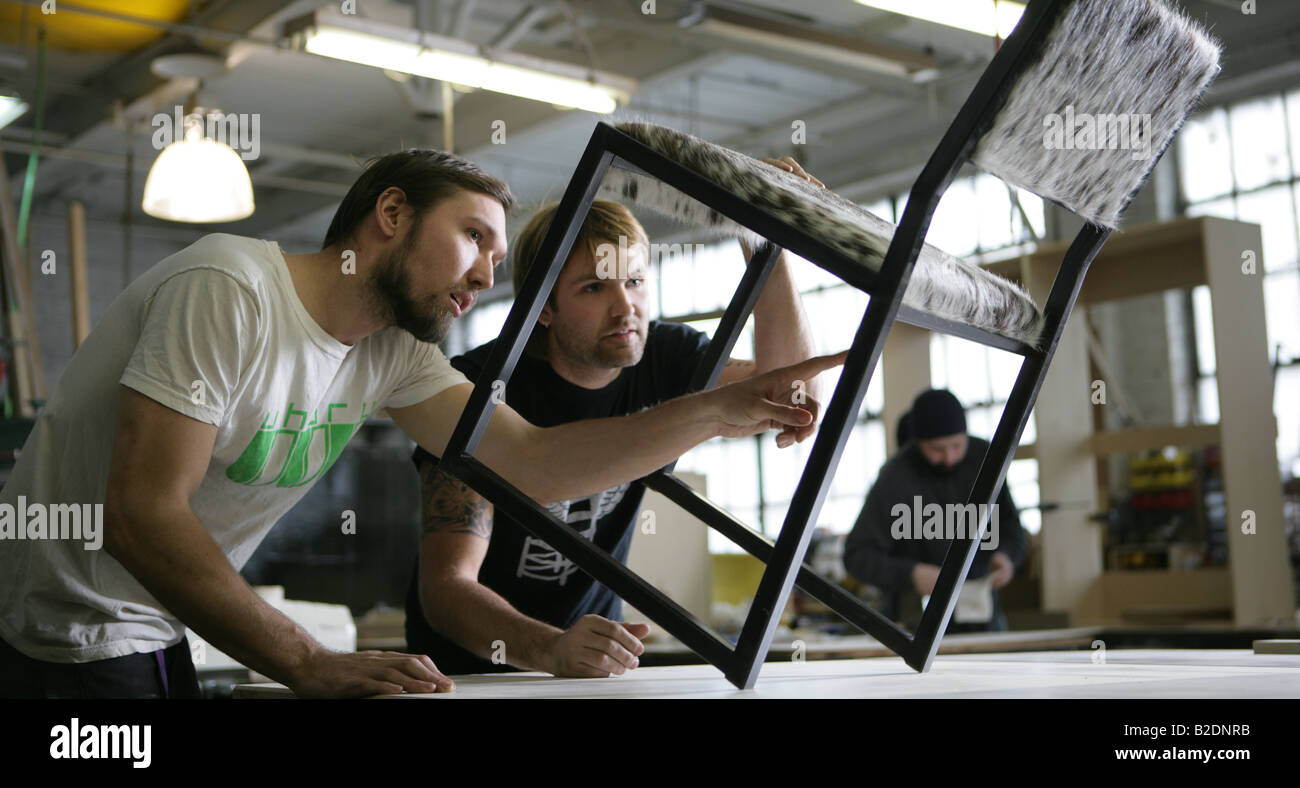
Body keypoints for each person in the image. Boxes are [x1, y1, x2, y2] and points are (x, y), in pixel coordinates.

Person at [0, 148, 843, 698]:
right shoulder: (230, 288)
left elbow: (535, 466)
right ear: (391, 215)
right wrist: (307, 661)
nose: (483, 273)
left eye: (496, 255)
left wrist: (719, 404)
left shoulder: (393, 357)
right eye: (472, 236)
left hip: (148, 635)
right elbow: (141, 514)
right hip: (53, 642)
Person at [407, 167, 820, 677]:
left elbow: (790, 394)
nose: (626, 307)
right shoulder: (479, 386)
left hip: (593, 668)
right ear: (543, 309)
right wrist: (548, 649)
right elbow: (446, 587)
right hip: (470, 677)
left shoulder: (663, 355)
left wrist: (766, 245)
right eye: (594, 287)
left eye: (635, 281)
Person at [843, 388, 1026, 633]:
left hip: (982, 616)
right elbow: (857, 556)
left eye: (956, 445)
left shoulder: (986, 459)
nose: (949, 457)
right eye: (937, 449)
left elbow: (1012, 528)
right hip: (916, 623)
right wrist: (912, 574)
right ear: (918, 442)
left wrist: (1006, 557)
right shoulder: (895, 477)